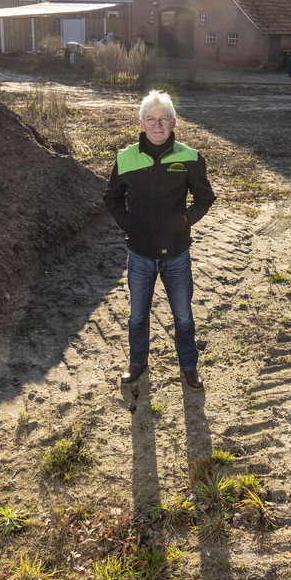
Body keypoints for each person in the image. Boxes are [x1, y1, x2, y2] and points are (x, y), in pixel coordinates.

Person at [104, 90, 215, 390]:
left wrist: (185, 221)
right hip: (139, 255)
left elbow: (205, 197)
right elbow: (111, 197)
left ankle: (188, 366)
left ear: (174, 122)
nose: (157, 125)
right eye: (151, 119)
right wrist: (129, 223)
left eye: (164, 119)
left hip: (176, 255)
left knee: (184, 317)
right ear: (141, 124)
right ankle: (137, 363)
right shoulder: (125, 158)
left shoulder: (190, 157)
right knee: (137, 316)